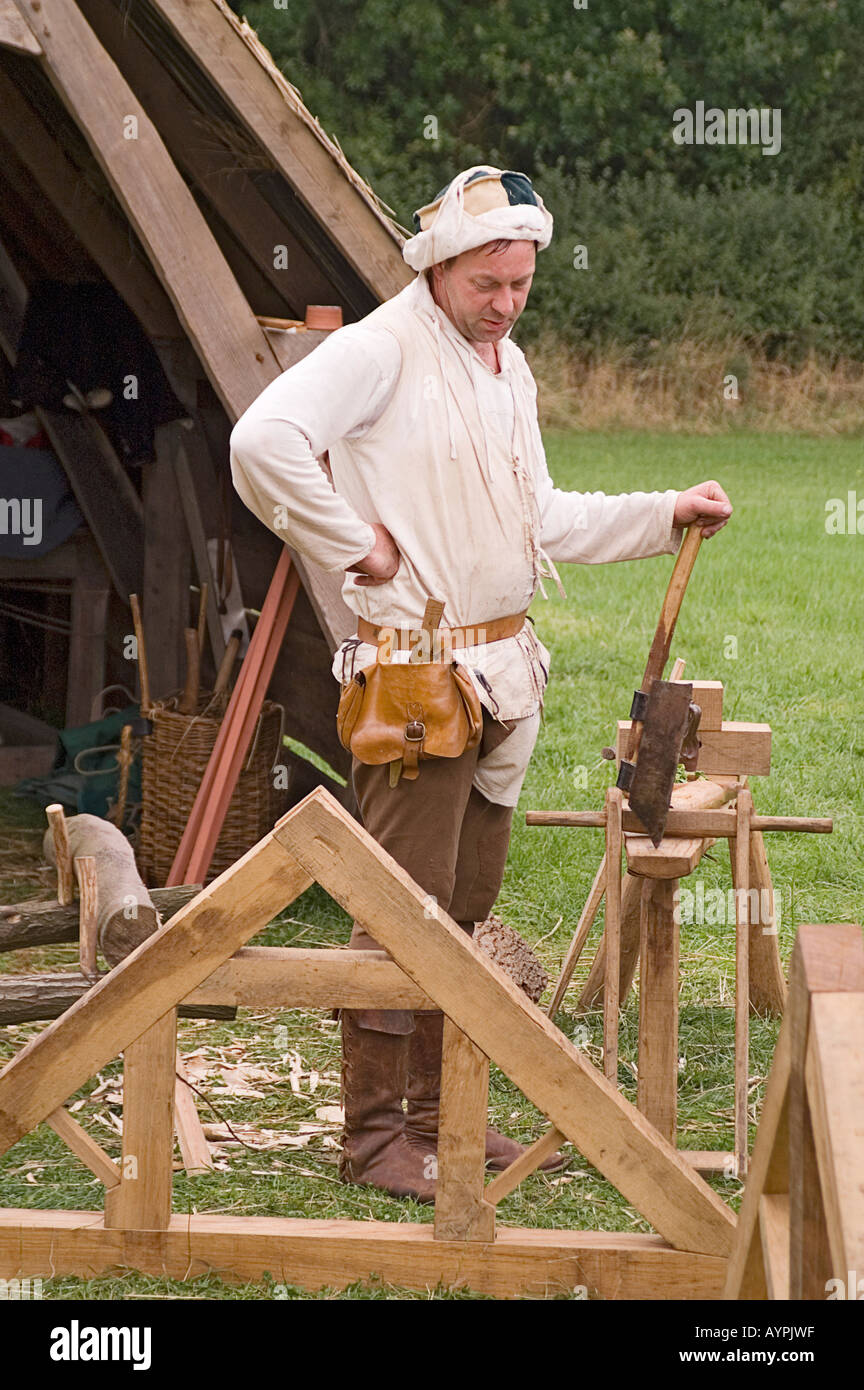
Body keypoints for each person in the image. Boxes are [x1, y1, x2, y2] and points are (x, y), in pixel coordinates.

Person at [230, 165, 732, 1202]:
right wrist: (348, 542)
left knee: (459, 909)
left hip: (501, 674)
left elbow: (540, 515)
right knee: (398, 915)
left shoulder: (507, 367)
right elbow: (261, 440)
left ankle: (437, 1114)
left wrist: (661, 511)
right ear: (441, 265)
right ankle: (374, 1139)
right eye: (487, 283)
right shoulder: (380, 350)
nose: (506, 303)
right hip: (418, 679)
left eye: (522, 282)